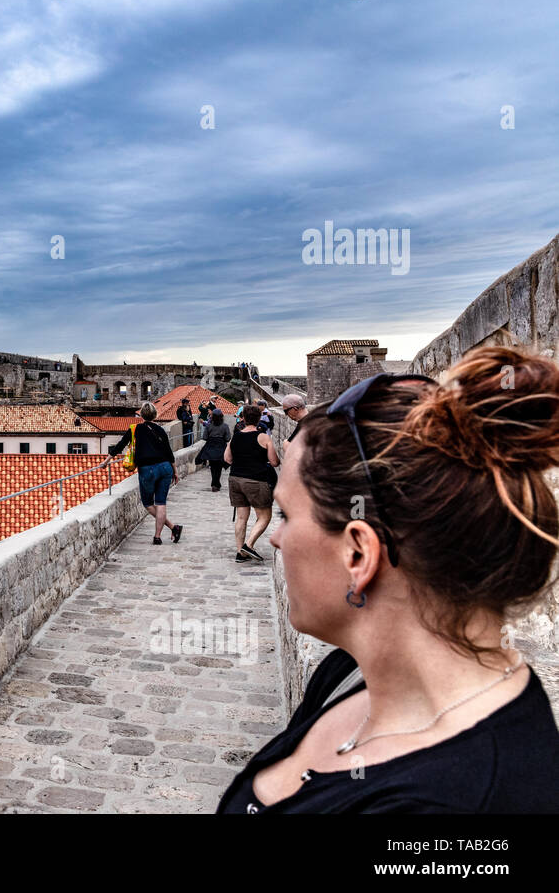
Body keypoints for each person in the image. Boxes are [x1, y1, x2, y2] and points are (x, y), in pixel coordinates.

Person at [217, 346, 559, 813]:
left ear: (359, 553)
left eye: (288, 515)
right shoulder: (352, 671)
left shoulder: (460, 803)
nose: (277, 538)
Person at [224, 405, 278, 561]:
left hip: (235, 479)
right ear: (259, 418)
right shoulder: (263, 437)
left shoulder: (235, 437)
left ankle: (240, 553)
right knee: (264, 516)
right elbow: (274, 462)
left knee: (241, 518)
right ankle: (248, 545)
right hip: (256, 480)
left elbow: (227, 459)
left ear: (243, 418)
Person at [133, 402, 182, 545]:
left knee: (148, 503)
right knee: (161, 503)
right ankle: (158, 537)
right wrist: (175, 471)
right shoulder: (160, 430)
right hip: (165, 468)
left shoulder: (135, 429)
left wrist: (107, 461)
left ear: (141, 414)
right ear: (155, 415)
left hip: (147, 469)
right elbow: (168, 452)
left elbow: (120, 445)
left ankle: (173, 527)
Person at [197, 410, 230, 491]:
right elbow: (227, 438)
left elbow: (204, 437)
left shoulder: (208, 426)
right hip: (221, 447)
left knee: (213, 466)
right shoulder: (225, 426)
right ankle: (216, 484)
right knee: (219, 467)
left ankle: (215, 484)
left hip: (211, 447)